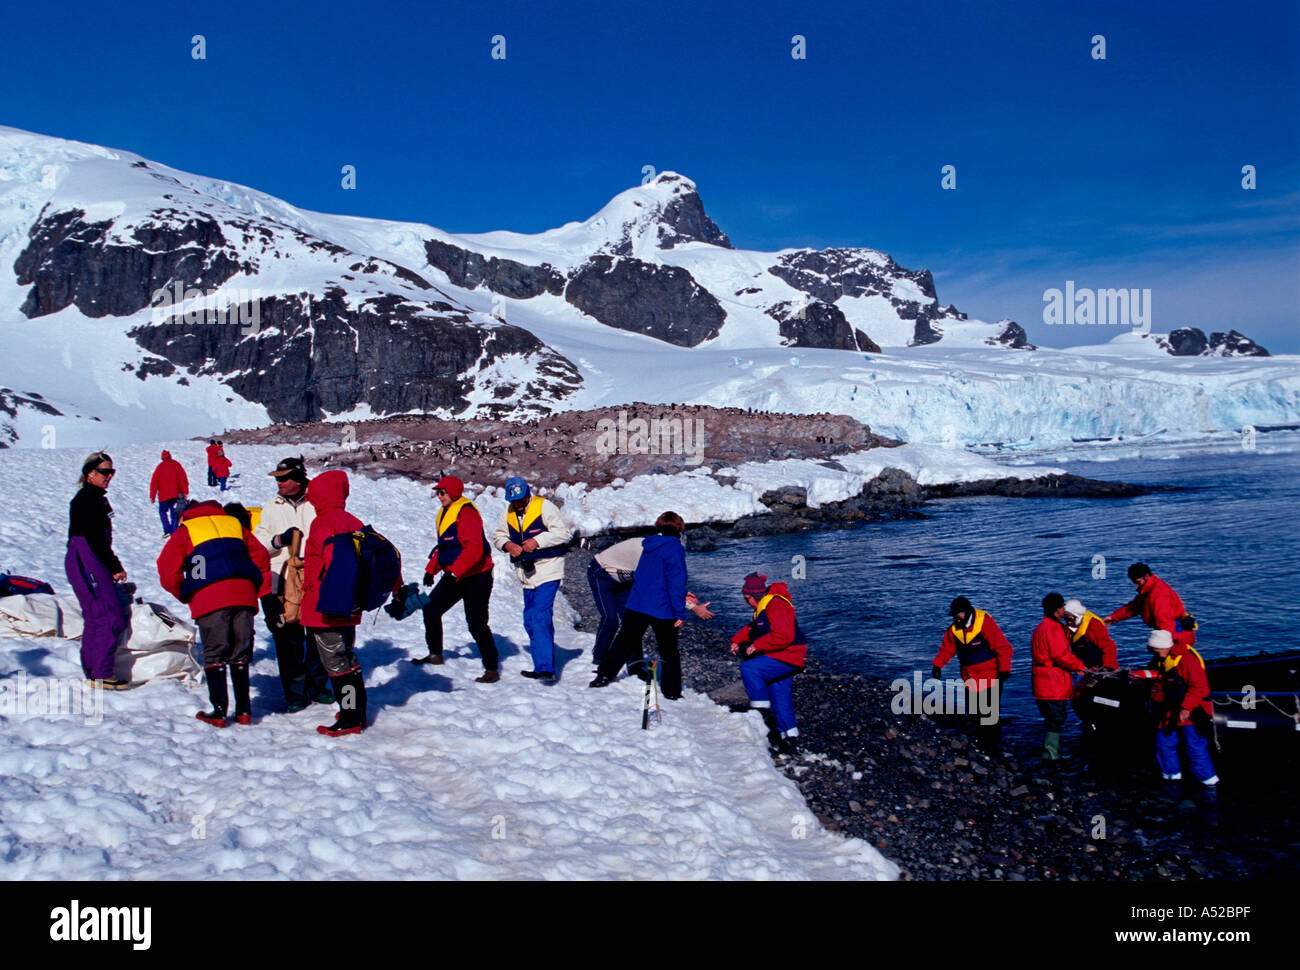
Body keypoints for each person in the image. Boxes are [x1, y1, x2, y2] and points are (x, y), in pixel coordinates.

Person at [157, 500, 270, 727]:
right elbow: (261, 557)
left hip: (210, 597)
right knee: (240, 652)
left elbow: (167, 569)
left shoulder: (188, 530)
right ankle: (244, 711)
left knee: (215, 652)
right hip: (244, 595)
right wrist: (253, 587)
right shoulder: (234, 525)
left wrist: (187, 592)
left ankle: (219, 711)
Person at [253, 457, 332, 713]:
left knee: (318, 633)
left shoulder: (317, 503)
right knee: (288, 639)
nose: (279, 482)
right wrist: (278, 540)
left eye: (284, 478)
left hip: (314, 577)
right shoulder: (271, 506)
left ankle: (318, 686)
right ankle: (295, 692)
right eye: (277, 478)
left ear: (299, 480)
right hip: (282, 578)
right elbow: (258, 542)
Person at [589, 512, 696, 699]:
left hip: (638, 602)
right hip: (662, 607)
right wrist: (680, 613)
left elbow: (640, 574)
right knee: (669, 650)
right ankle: (672, 692)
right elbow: (676, 583)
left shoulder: (648, 544)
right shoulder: (675, 548)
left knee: (624, 640)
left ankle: (604, 674)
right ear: (679, 528)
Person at [298, 470, 371, 735]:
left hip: (326, 607)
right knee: (348, 658)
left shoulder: (322, 523)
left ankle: (350, 718)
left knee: (337, 664)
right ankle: (356, 710)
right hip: (350, 605)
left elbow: (334, 562)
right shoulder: (354, 520)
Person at [415, 476, 498, 683]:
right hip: (456, 574)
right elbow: (445, 547)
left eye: (442, 492)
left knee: (476, 624)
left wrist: (454, 572)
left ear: (452, 492)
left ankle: (491, 669)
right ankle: (435, 654)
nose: (439, 496)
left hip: (477, 576)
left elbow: (475, 549)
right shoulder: (445, 513)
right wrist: (431, 570)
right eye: (438, 493)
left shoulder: (466, 513)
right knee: (431, 609)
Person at [588, 529, 713, 666]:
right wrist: (693, 607)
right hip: (601, 573)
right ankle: (599, 656)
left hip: (626, 578)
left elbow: (669, 579)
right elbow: (663, 587)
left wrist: (684, 593)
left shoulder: (659, 549)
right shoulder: (649, 554)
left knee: (630, 622)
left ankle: (634, 664)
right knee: (610, 618)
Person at [491, 477, 571, 682]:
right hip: (526, 574)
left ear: (527, 494)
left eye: (520, 500)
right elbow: (499, 536)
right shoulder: (508, 512)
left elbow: (563, 533)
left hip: (549, 569)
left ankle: (545, 668)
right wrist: (508, 545)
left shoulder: (545, 507)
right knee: (531, 619)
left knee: (538, 616)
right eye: (513, 501)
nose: (517, 504)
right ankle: (542, 663)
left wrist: (537, 541)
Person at [65, 452, 131, 689]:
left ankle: (94, 671)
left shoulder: (95, 498)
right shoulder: (87, 500)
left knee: (96, 615)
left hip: (88, 556)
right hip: (87, 558)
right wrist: (113, 565)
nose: (109, 476)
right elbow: (93, 538)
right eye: (105, 472)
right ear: (90, 473)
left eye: (112, 472)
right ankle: (101, 672)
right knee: (108, 615)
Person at [729, 573, 806, 756]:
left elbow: (784, 635)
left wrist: (758, 645)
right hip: (781, 655)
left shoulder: (777, 604)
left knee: (749, 669)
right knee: (780, 695)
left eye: (746, 598)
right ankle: (789, 739)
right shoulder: (765, 606)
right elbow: (753, 628)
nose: (746, 602)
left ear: (754, 596)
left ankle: (759, 711)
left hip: (789, 656)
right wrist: (736, 640)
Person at [931, 596, 1014, 756]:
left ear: (967, 612)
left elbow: (1003, 647)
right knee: (975, 712)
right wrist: (937, 664)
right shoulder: (954, 630)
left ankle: (992, 745)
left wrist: (1004, 670)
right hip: (969, 677)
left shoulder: (985, 623)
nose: (956, 617)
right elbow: (947, 649)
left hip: (990, 676)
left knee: (989, 713)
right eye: (954, 615)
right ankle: (982, 742)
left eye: (959, 614)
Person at [1136, 628, 1218, 787]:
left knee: (1195, 747)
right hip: (1170, 708)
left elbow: (1200, 688)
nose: (1154, 652)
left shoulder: (1187, 661)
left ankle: (1209, 782)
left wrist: (1185, 708)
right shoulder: (1161, 659)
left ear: (1164, 647)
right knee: (1163, 744)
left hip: (1192, 712)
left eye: (1155, 649)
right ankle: (1171, 777)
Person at [1031, 593, 1088, 760]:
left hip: (1040, 681)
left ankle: (1051, 750)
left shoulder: (1040, 627)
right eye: (1062, 607)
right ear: (1057, 610)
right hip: (1052, 682)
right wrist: (1080, 667)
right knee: (1056, 718)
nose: (1064, 610)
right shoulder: (1053, 628)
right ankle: (1051, 753)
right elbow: (1061, 655)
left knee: (1051, 717)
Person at [1104, 563, 1191, 635]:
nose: (1136, 586)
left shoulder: (1159, 594)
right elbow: (1134, 607)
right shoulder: (1148, 590)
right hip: (1167, 630)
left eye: (1137, 582)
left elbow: (1165, 622)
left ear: (1146, 576)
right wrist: (1113, 617)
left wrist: (1164, 645)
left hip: (1175, 632)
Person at [1063, 598, 1117, 669]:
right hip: (1081, 663)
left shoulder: (1094, 626)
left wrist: (1108, 668)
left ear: (1078, 617)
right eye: (1065, 619)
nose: (1068, 622)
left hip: (1097, 666)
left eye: (1070, 619)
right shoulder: (1070, 627)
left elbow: (1109, 647)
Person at [148, 450, 189, 537]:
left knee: (162, 512)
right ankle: (174, 531)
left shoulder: (159, 467)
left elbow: (154, 482)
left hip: (163, 496)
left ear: (162, 458)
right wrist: (185, 492)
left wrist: (152, 496)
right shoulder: (177, 465)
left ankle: (167, 530)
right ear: (170, 456)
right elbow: (183, 479)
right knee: (174, 512)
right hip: (176, 494)